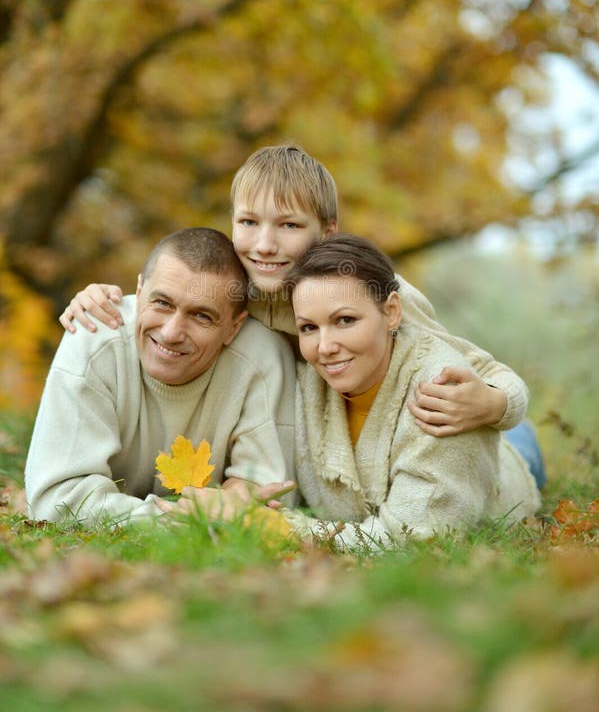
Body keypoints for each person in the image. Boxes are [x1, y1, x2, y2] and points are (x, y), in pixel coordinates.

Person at [59, 145, 530, 439]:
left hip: (443, 432)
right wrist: (104, 296)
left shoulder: (371, 292)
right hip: (329, 444)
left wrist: (495, 404)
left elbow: (485, 368)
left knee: (517, 451)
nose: (264, 245)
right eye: (248, 223)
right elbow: (169, 295)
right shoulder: (232, 287)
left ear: (325, 232)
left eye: (288, 225)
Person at [282, 233, 543, 550]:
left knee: (523, 445)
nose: (324, 347)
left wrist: (277, 527)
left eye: (345, 320)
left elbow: (410, 537)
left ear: (391, 312)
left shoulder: (442, 396)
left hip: (505, 471)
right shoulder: (306, 383)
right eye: (309, 327)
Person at [25, 228, 297, 525]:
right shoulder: (94, 334)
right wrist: (191, 520)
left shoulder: (261, 357)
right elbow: (57, 500)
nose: (170, 333)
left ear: (234, 327)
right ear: (139, 292)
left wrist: (236, 501)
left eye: (201, 316)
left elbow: (270, 498)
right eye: (162, 303)